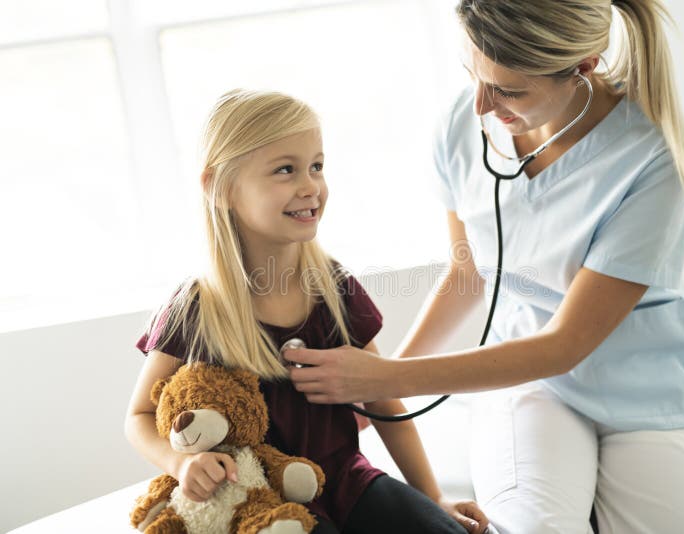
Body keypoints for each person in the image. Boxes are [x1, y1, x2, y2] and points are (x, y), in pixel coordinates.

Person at [285, 1, 684, 533]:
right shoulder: (463, 124)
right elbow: (467, 272)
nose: (481, 104)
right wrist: (384, 392)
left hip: (647, 390)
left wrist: (387, 376)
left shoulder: (651, 157)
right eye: (474, 75)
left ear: (583, 67)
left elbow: (565, 345)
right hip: (528, 384)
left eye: (508, 90)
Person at [124, 89, 489, 534]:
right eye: (286, 170)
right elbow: (139, 417)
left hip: (345, 478)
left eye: (317, 166)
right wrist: (180, 463)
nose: (311, 186)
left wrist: (433, 496)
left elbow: (383, 397)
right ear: (219, 188)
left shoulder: (334, 287)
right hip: (261, 498)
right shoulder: (197, 307)